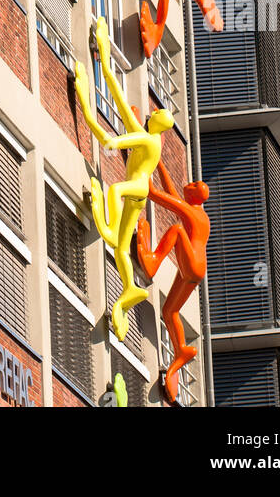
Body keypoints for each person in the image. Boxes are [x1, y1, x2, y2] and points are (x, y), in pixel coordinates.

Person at [75, 17, 173, 341]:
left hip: (138, 190)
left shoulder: (148, 140)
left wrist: (112, 142)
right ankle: (129, 288)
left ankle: (105, 224)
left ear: (159, 123)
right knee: (120, 250)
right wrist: (103, 45)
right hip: (139, 197)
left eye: (157, 113)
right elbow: (117, 94)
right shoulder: (145, 133)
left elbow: (120, 142)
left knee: (114, 189)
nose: (153, 112)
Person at [136, 162, 210, 406]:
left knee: (177, 230)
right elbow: (170, 191)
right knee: (170, 311)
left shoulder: (194, 213)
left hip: (193, 264)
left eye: (194, 184)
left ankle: (153, 262)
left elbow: (158, 195)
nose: (189, 183)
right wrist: (157, 162)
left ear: (197, 194)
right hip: (195, 269)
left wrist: (143, 172)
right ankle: (181, 349)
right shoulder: (195, 210)